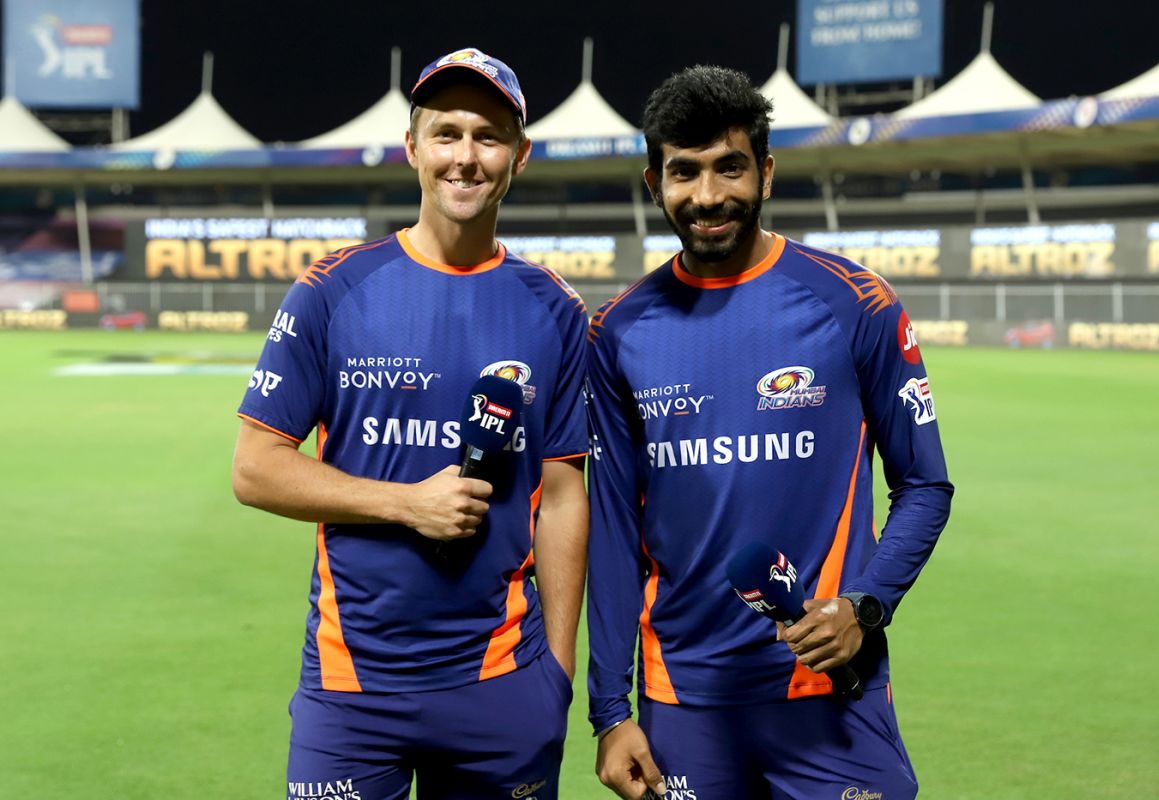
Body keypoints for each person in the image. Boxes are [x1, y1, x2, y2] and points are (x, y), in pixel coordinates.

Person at [585, 65, 953, 800]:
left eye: (730, 167)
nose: (710, 195)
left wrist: (865, 607)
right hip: (682, 701)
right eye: (684, 172)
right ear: (654, 182)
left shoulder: (855, 304)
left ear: (767, 172)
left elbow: (924, 484)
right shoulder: (618, 331)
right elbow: (614, 531)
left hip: (830, 690)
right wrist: (607, 713)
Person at [231, 47, 589, 800]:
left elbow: (562, 496)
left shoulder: (554, 309)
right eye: (447, 133)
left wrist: (556, 672)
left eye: (488, 136)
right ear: (413, 150)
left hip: (504, 682)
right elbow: (255, 467)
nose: (466, 156)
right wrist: (405, 503)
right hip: (352, 686)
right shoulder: (333, 290)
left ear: (518, 157)